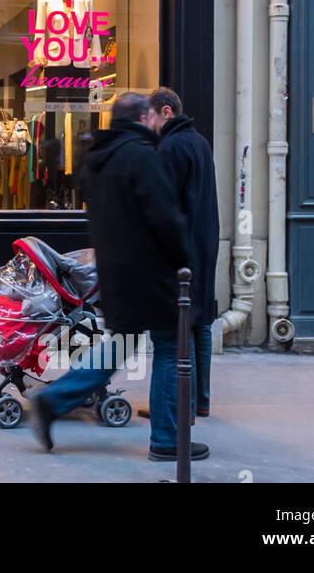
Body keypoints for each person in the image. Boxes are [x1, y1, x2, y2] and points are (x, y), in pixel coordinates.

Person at [27, 92, 204, 461]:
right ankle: (168, 439)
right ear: (142, 119)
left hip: (114, 273)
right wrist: (185, 258)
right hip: (151, 274)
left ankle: (51, 399)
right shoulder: (143, 156)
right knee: (171, 348)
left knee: (120, 345)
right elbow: (165, 218)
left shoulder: (97, 160)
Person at [146, 87, 220, 420]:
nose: (148, 124)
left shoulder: (172, 146)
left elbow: (166, 204)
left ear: (165, 112)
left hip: (184, 246)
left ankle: (182, 406)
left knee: (182, 324)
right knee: (200, 322)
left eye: (150, 117)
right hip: (205, 240)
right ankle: (200, 400)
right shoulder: (200, 141)